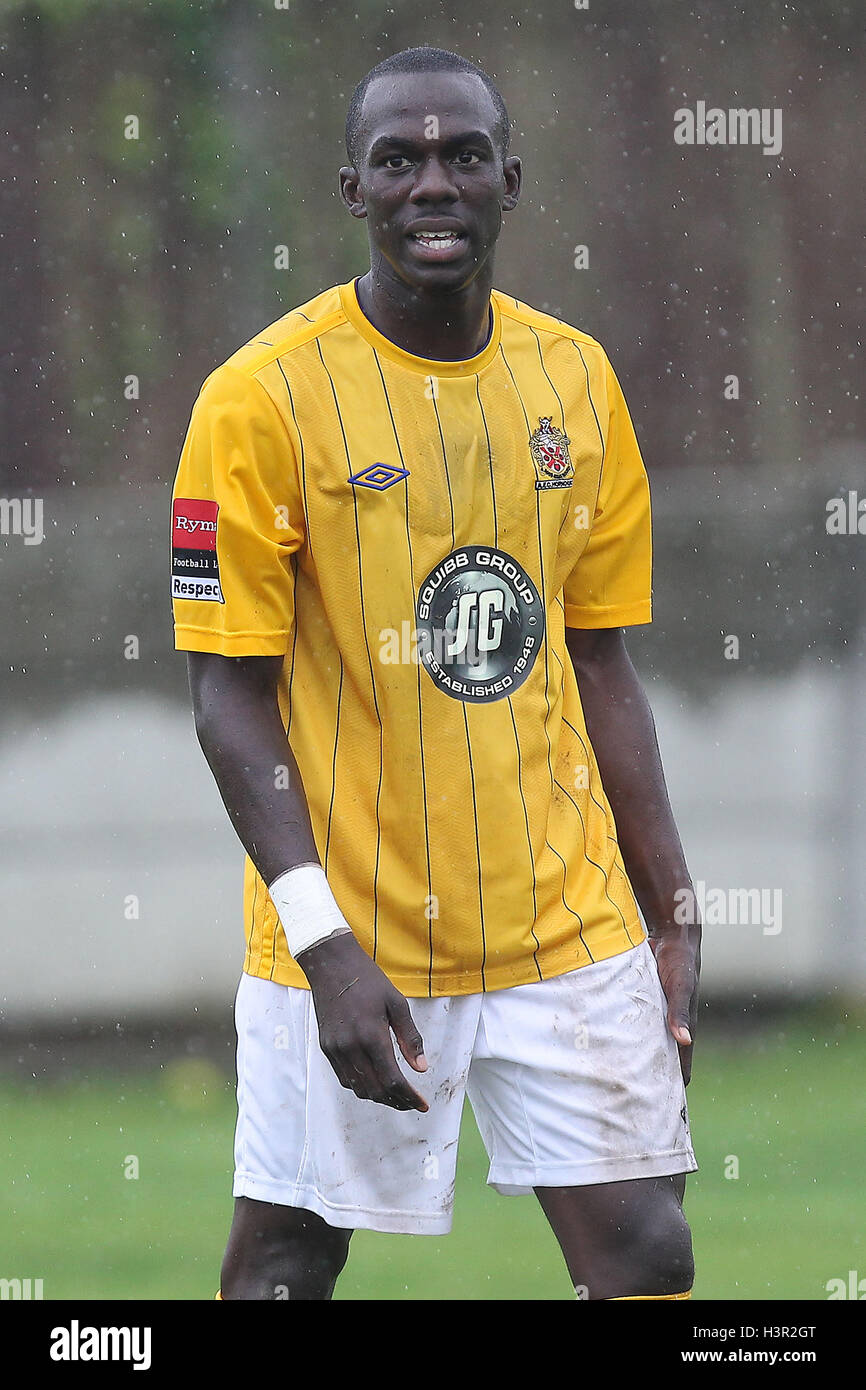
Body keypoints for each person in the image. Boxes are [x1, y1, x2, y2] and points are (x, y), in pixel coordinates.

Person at [170, 44, 701, 1302]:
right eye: (397, 161)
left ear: (509, 181)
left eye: (462, 157)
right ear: (350, 190)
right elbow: (226, 699)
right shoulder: (256, 400)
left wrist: (669, 910)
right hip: (350, 935)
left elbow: (599, 664)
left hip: (563, 926)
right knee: (289, 1259)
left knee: (646, 1251)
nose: (432, 184)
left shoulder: (573, 377)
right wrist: (323, 946)